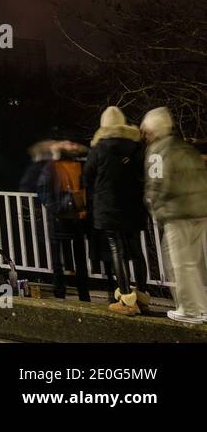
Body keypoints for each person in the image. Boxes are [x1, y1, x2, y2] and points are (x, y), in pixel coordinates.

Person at [141, 107, 207, 324]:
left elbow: (156, 185)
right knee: (195, 263)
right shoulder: (183, 147)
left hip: (178, 213)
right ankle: (202, 308)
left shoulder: (157, 151)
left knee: (179, 262)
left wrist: (153, 207)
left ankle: (189, 309)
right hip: (200, 211)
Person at [84, 106, 149, 315]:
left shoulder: (98, 148)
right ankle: (143, 296)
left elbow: (88, 176)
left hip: (109, 207)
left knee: (117, 250)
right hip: (134, 205)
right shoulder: (136, 146)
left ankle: (126, 301)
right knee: (136, 250)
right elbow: (143, 173)